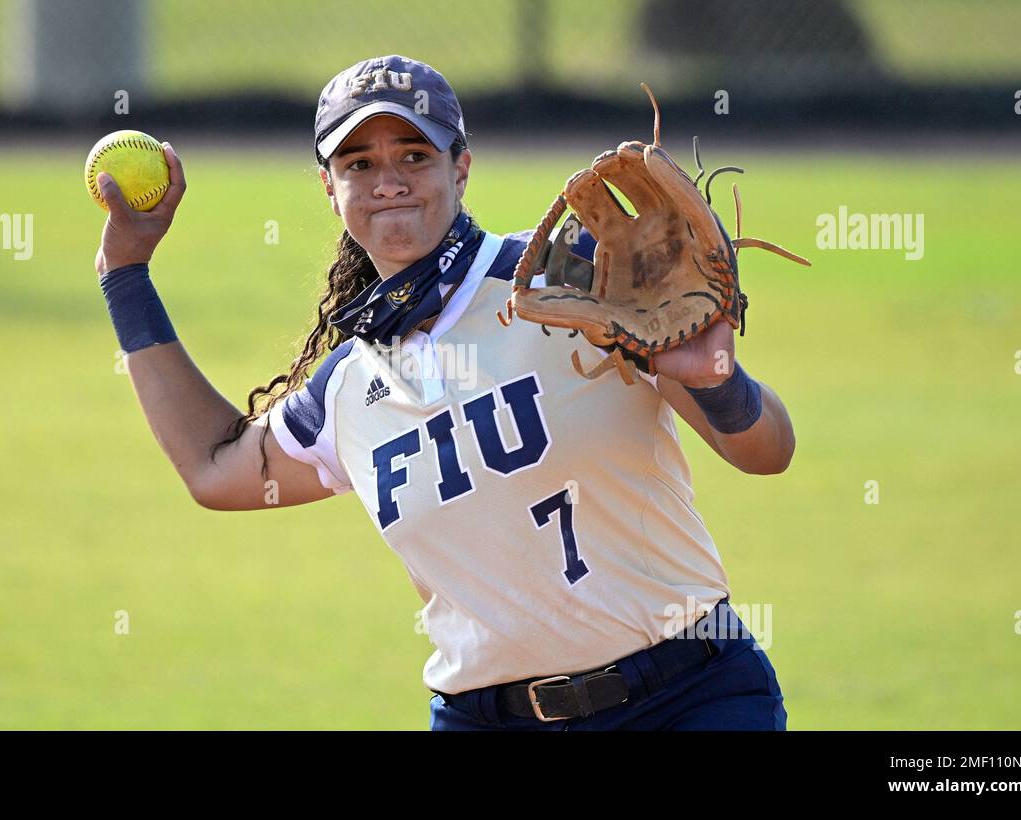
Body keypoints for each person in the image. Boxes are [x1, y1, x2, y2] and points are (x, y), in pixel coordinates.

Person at [92, 54, 791, 731]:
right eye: (358, 164)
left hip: (689, 697)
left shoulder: (575, 279)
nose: (387, 180)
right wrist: (125, 274)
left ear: (461, 166)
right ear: (329, 189)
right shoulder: (349, 385)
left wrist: (718, 380)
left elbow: (768, 451)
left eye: (414, 155)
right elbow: (215, 468)